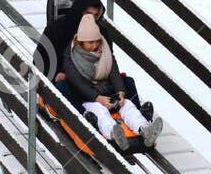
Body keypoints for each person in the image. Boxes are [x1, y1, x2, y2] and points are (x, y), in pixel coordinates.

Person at [68, 13, 163, 149]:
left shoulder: (105, 53)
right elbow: (78, 83)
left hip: (109, 95)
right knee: (100, 112)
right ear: (81, 42)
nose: (95, 45)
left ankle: (144, 130)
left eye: (97, 41)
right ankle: (114, 133)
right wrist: (97, 98)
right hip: (89, 99)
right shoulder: (71, 57)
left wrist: (120, 92)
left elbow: (114, 73)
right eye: (90, 42)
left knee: (128, 105)